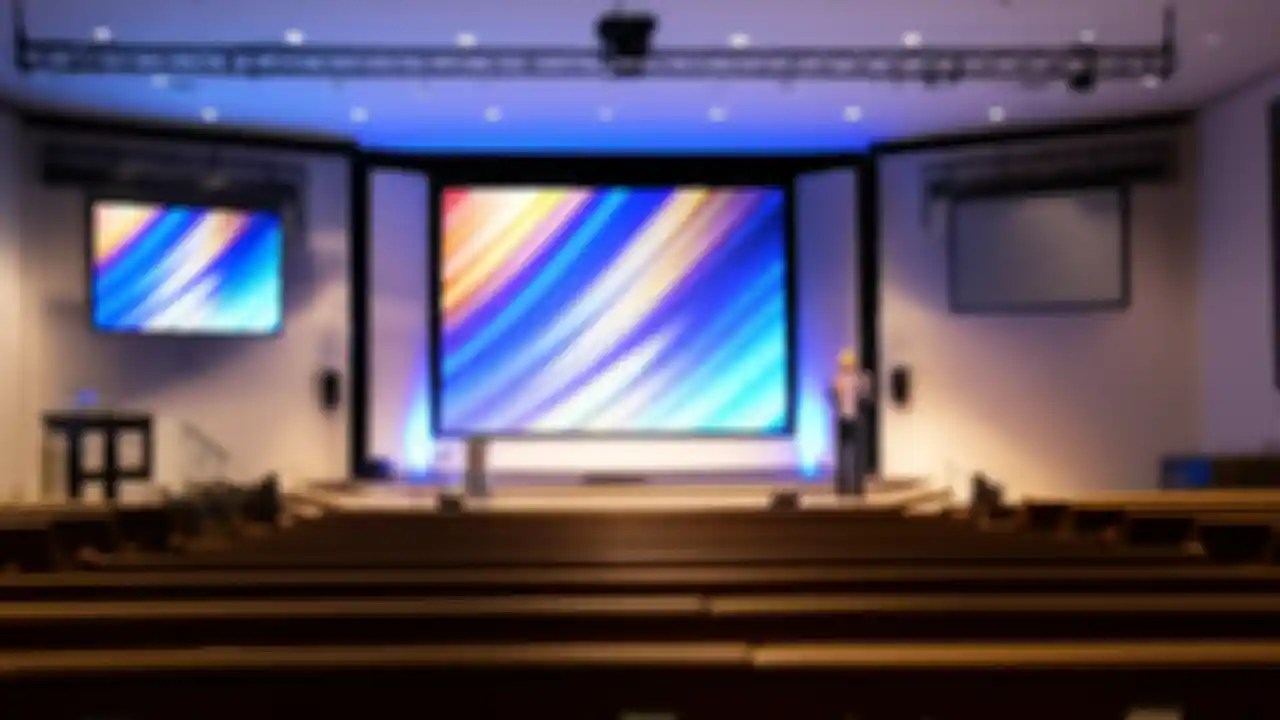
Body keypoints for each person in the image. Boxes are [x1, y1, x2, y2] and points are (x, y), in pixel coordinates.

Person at [829, 348, 874, 496]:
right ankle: (843, 487)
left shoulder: (861, 379)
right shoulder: (837, 380)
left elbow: (867, 398)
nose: (845, 366)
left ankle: (857, 487)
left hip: (857, 420)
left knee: (858, 454)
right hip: (843, 419)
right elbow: (832, 397)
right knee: (842, 454)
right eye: (843, 363)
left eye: (848, 363)